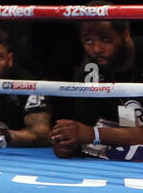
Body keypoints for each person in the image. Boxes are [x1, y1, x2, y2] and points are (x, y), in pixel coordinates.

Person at [51, 20, 143, 159]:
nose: (96, 49)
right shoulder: (90, 71)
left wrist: (94, 134)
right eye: (88, 40)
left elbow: (91, 132)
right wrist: (68, 142)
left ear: (125, 34)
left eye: (105, 39)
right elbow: (86, 127)